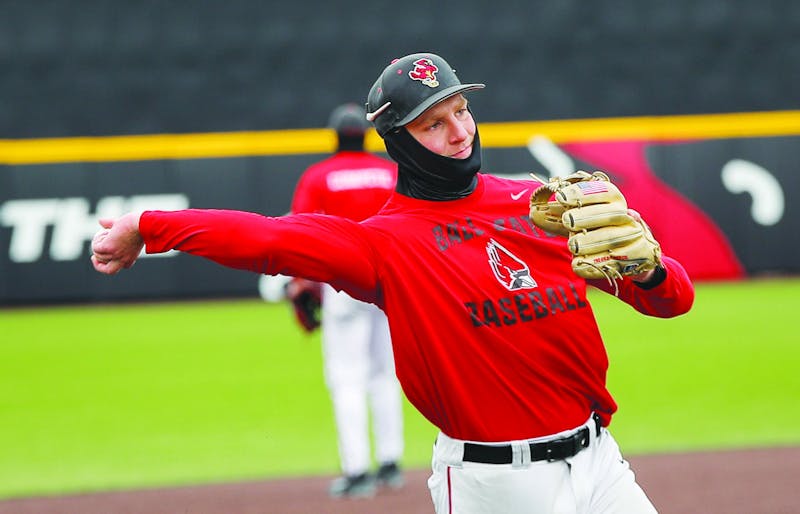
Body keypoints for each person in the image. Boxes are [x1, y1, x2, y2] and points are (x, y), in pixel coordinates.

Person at [91, 52, 695, 514]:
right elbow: (268, 239)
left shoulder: (537, 204)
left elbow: (674, 301)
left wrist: (651, 271)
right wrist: (147, 226)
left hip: (600, 464)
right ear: (399, 140)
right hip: (497, 484)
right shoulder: (384, 244)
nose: (459, 132)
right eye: (434, 124)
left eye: (461, 111)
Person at [285, 103, 404, 498]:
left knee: (347, 377)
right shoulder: (390, 172)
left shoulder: (319, 175)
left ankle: (357, 471)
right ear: (366, 136)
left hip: (343, 284)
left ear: (335, 136)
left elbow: (300, 231)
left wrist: (300, 285)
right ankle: (390, 462)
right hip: (387, 283)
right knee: (385, 374)